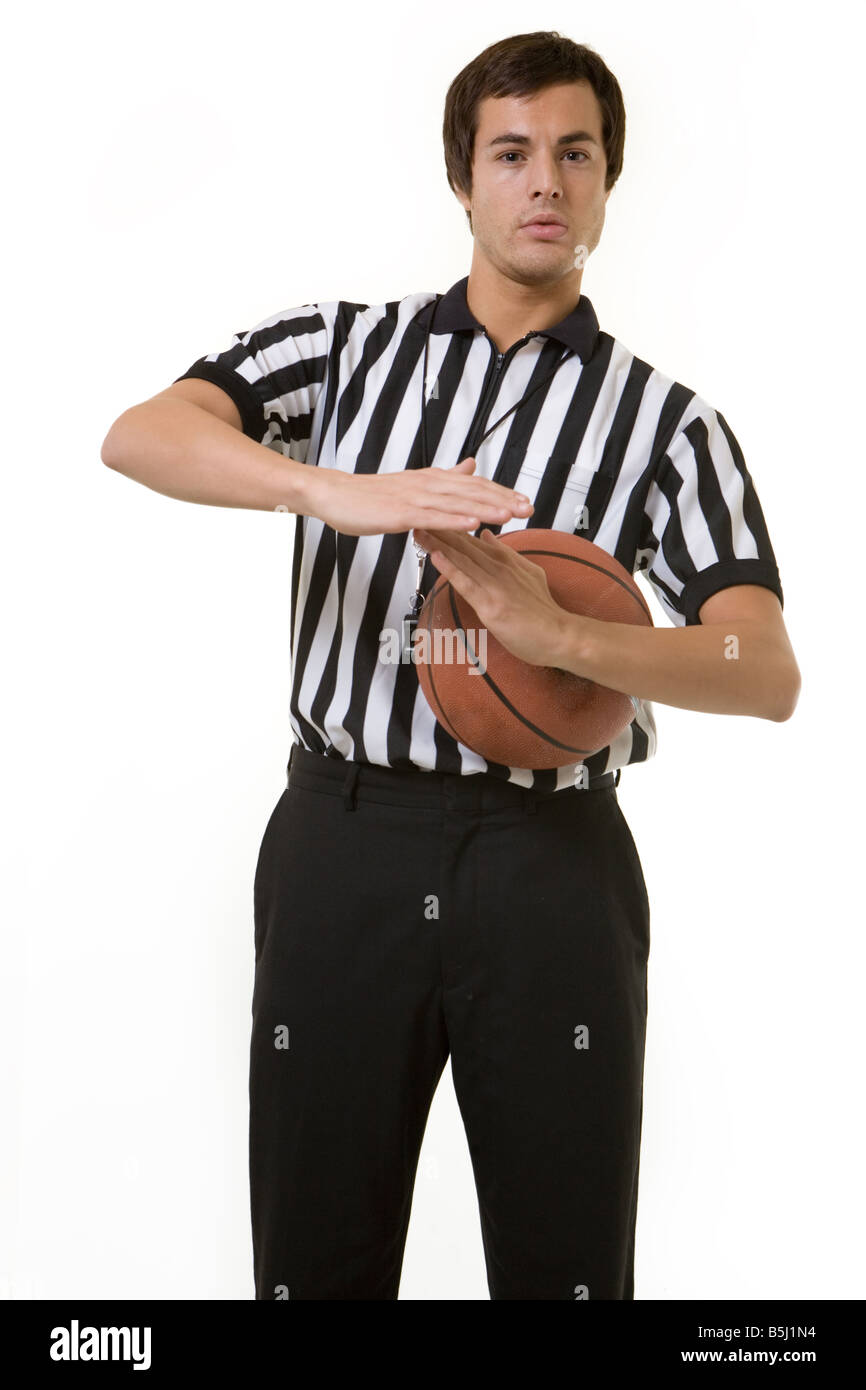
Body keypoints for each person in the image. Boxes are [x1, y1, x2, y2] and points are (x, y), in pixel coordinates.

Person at [100, 31, 801, 1300]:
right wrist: (327, 489)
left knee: (564, 1266)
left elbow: (763, 667)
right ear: (462, 179)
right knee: (312, 1262)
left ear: (605, 182)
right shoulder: (340, 348)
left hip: (553, 863)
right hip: (343, 839)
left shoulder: (664, 422)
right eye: (512, 152)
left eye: (573, 153)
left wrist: (565, 640)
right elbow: (142, 435)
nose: (544, 181)